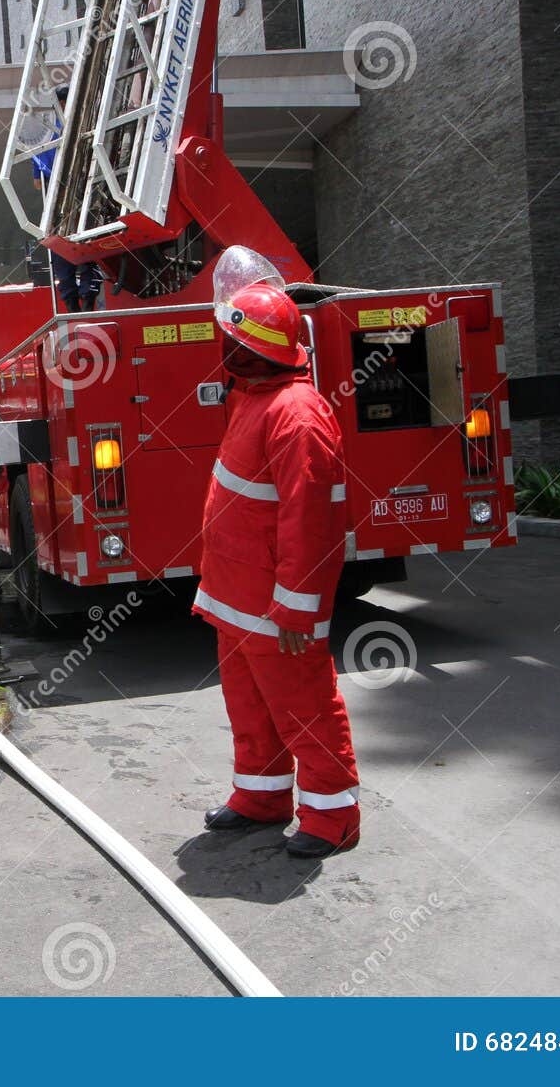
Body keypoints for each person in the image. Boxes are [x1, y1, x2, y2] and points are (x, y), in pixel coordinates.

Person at [194, 267, 361, 859]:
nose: (225, 345)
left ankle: (332, 815)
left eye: (234, 338)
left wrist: (296, 604)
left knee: (304, 706)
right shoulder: (256, 398)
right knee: (252, 705)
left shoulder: (297, 413)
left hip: (275, 602)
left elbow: (310, 520)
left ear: (251, 349)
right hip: (240, 596)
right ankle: (261, 797)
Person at [30, 84, 101, 314]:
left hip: (54, 196)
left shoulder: (45, 134)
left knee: (60, 249)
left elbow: (37, 183)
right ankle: (88, 298)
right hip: (81, 191)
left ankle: (72, 304)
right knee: (89, 243)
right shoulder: (85, 125)